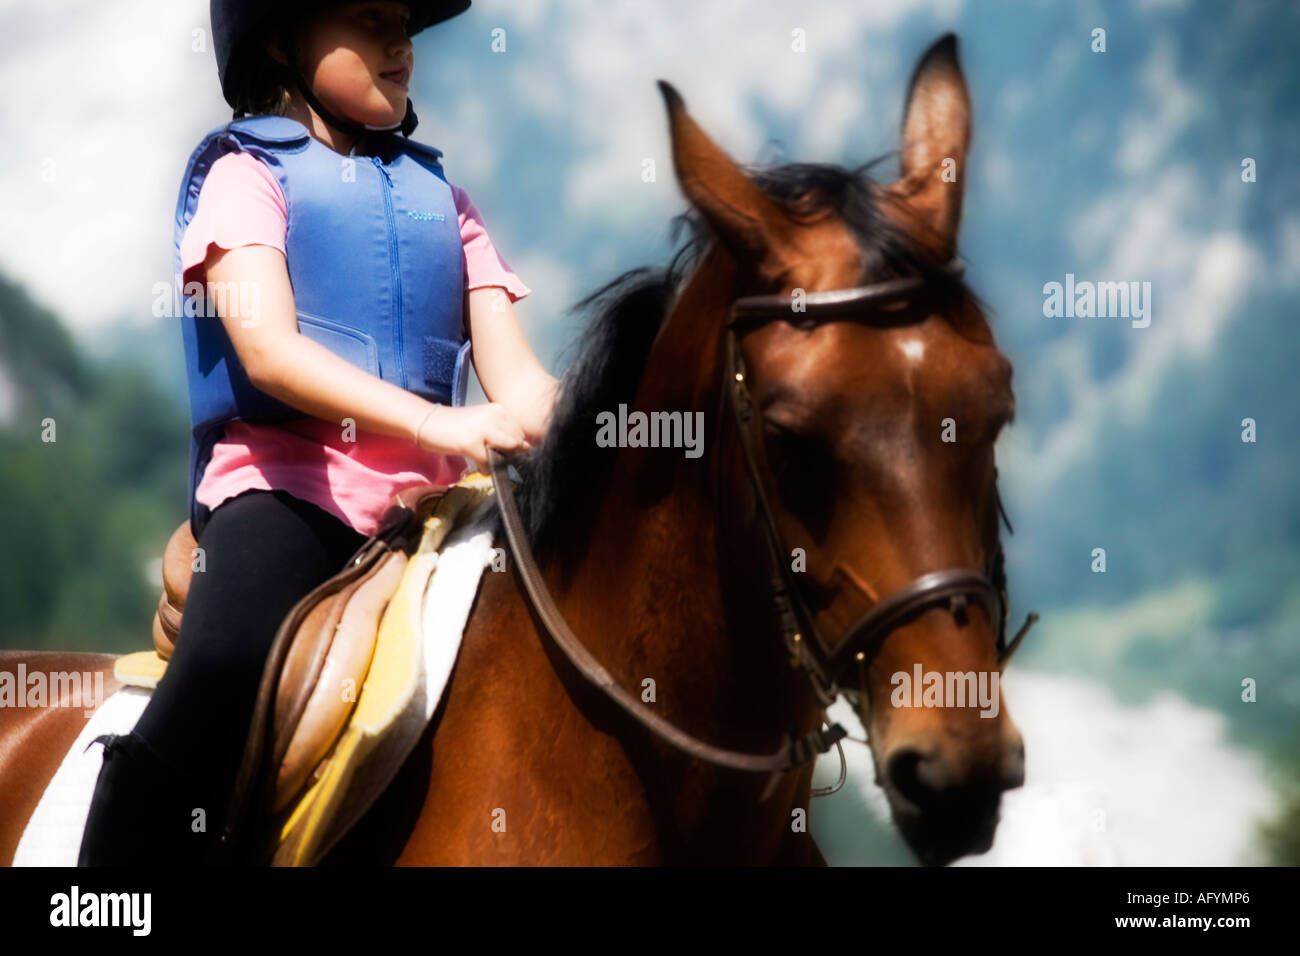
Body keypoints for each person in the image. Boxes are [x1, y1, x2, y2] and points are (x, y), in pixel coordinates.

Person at [77, 0, 558, 865]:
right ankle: (104, 900)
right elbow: (269, 353)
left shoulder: (444, 201)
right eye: (370, 17)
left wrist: (610, 425)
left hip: (441, 506)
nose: (402, 41)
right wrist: (436, 419)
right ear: (279, 39)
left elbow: (521, 384)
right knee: (222, 672)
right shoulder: (242, 174)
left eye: (404, 19)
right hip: (290, 493)